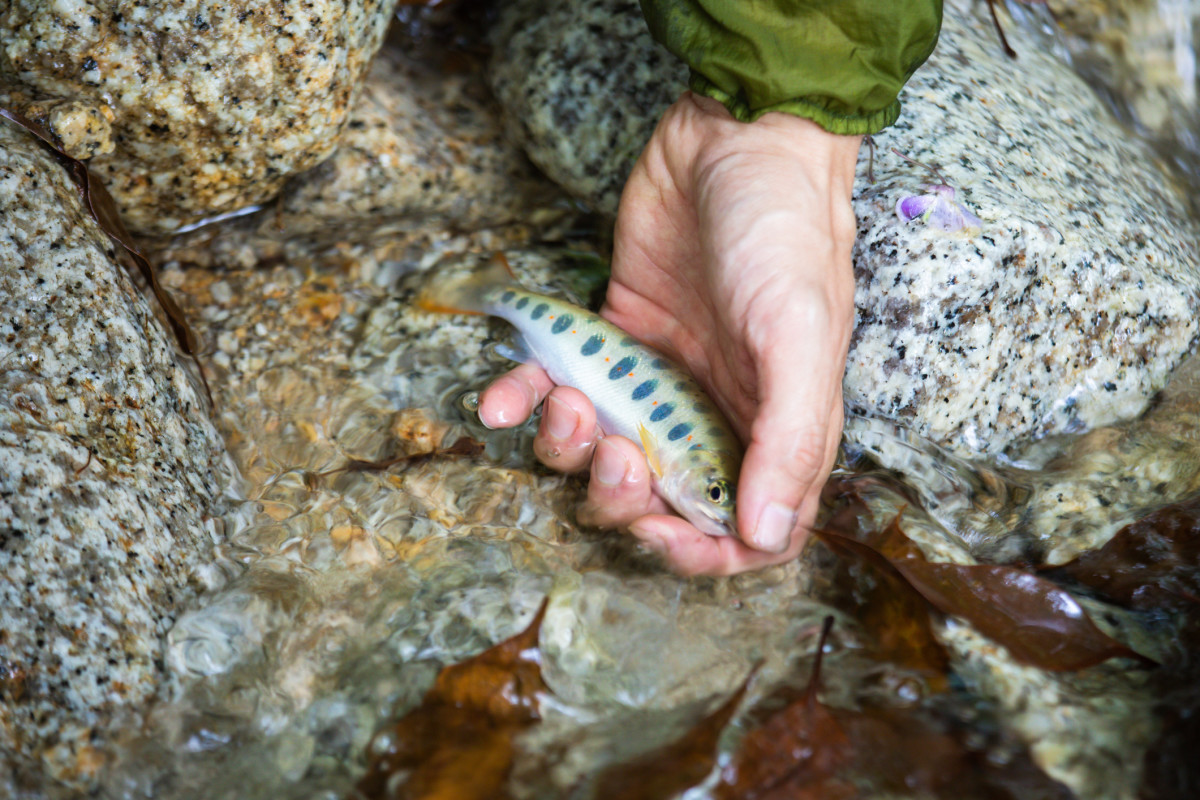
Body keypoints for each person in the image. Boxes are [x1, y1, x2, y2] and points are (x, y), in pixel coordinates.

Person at [479, 1, 944, 575]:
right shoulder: (681, 462)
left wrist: (776, 134)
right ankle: (492, 293)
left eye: (720, 498)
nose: (720, 509)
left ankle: (493, 293)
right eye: (718, 496)